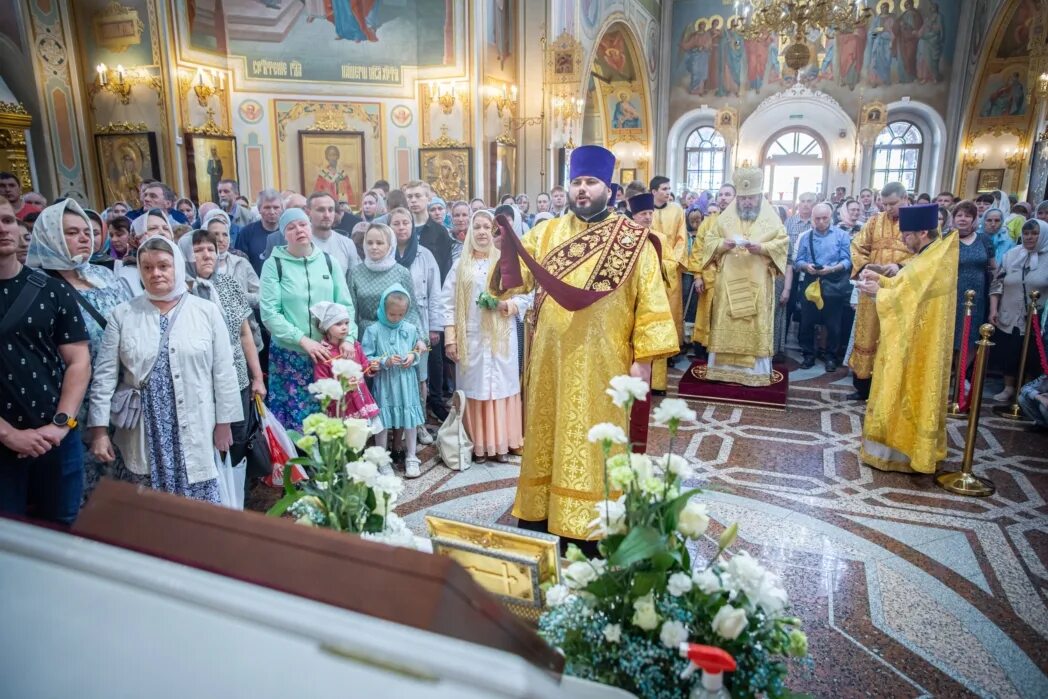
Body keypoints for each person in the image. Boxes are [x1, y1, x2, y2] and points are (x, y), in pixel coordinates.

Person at [488, 145, 678, 545]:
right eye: (576, 182)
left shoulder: (634, 241)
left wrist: (643, 362)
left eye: (590, 182)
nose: (581, 190)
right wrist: (504, 242)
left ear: (608, 188)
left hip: (604, 362)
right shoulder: (546, 232)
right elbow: (514, 280)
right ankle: (539, 516)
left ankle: (593, 525)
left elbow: (651, 302)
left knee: (596, 440)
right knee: (546, 436)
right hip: (549, 360)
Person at [88, 236, 242, 504]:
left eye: (163, 266)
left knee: (197, 506)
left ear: (178, 267)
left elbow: (224, 371)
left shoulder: (205, 311)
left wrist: (224, 423)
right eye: (147, 268)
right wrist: (100, 431)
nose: (155, 273)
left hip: (195, 423)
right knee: (146, 508)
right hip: (143, 427)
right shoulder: (123, 314)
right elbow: (104, 376)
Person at [0, 199, 91, 525]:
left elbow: (79, 360)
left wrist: (60, 424)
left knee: (63, 528)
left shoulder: (52, 291)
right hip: (2, 445)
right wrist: (9, 434)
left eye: (8, 220)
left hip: (57, 441)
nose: (3, 228)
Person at [857, 204, 958, 474]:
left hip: (916, 344)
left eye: (907, 235)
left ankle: (900, 452)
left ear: (923, 232)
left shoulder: (933, 260)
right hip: (910, 337)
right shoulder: (930, 255)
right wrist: (881, 281)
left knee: (904, 389)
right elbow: (907, 288)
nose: (902, 240)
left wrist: (879, 291)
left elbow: (910, 299)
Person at [443, 209, 529, 463]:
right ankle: (478, 446)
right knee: (475, 389)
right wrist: (451, 338)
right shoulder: (460, 265)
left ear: (495, 232)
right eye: (477, 227)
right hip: (472, 336)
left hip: (501, 335)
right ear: (470, 231)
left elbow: (526, 295)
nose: (482, 232)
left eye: (487, 227)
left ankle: (502, 444)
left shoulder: (506, 262)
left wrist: (507, 305)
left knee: (502, 387)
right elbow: (447, 302)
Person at [260, 208, 357, 430]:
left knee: (330, 416)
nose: (298, 230)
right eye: (291, 227)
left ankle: (327, 464)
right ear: (284, 234)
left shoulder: (328, 261)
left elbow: (345, 304)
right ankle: (296, 465)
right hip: (290, 356)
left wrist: (348, 338)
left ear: (310, 226)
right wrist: (303, 340)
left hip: (327, 355)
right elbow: (269, 313)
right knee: (294, 423)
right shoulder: (274, 265)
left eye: (302, 224)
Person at [699, 168, 789, 386]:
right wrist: (722, 244)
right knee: (727, 319)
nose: (747, 202)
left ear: (759, 197)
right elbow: (709, 242)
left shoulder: (772, 219)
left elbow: (783, 243)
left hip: (757, 280)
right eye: (744, 198)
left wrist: (762, 247)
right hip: (728, 280)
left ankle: (754, 374)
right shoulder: (724, 219)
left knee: (752, 323)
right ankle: (722, 371)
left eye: (751, 198)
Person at [188, 229, 266, 477]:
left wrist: (257, 377)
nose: (206, 255)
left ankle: (237, 495)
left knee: (238, 438)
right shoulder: (182, 291)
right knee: (206, 442)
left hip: (237, 377)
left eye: (210, 249)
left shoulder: (229, 284)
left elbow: (245, 334)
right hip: (200, 382)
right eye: (198, 250)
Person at [847, 182, 913, 401]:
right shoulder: (874, 221)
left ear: (905, 198)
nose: (888, 208)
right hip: (871, 288)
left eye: (892, 203)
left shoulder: (917, 221)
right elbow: (857, 247)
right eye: (884, 204)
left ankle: (891, 391)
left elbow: (927, 253)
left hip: (901, 291)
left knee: (894, 336)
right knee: (869, 333)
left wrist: (900, 267)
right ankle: (863, 386)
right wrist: (866, 266)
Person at [363, 285, 427, 478]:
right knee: (383, 422)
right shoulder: (373, 330)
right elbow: (366, 358)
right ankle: (382, 461)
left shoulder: (410, 328)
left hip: (407, 384)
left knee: (409, 420)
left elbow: (417, 351)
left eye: (401, 314)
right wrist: (384, 361)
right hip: (385, 384)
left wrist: (412, 357)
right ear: (383, 309)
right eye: (392, 314)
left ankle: (412, 457)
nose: (396, 318)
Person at [390, 206, 442, 440]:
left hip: (419, 322)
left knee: (420, 376)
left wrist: (434, 327)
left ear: (412, 226)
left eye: (405, 223)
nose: (401, 228)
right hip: (391, 324)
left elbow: (435, 292)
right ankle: (396, 426)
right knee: (394, 374)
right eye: (396, 223)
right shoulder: (385, 253)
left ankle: (419, 422)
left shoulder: (424, 255)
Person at [404, 180, 452, 420]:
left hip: (431, 299)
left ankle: (435, 398)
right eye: (409, 196)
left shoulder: (439, 231)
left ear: (428, 198)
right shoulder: (403, 226)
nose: (413, 200)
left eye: (418, 196)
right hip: (405, 304)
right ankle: (412, 401)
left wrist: (438, 313)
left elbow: (444, 270)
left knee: (434, 354)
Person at [989, 219, 1048, 403]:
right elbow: (997, 283)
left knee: (1033, 353)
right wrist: (993, 309)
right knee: (1009, 351)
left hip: (1037, 318)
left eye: (1034, 233)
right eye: (1026, 233)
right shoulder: (1011, 255)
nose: (1029, 237)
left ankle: (1027, 391)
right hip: (1009, 313)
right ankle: (1008, 387)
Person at [794, 203, 853, 372]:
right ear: (812, 219)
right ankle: (808, 355)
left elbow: (847, 261)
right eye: (817, 218)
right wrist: (807, 267)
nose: (821, 222)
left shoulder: (842, 235)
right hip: (811, 281)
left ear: (831, 217)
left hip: (833, 282)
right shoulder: (806, 237)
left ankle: (830, 357)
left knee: (833, 324)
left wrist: (832, 268)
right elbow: (798, 261)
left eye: (824, 218)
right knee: (807, 321)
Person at [350, 222, 425, 353]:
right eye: (369, 242)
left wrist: (419, 338)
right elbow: (352, 311)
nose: (374, 247)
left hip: (397, 338)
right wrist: (349, 340)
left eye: (379, 243)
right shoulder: (355, 272)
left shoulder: (401, 273)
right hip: (366, 339)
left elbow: (411, 309)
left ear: (390, 245)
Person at [629, 192, 677, 393]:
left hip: (654, 295)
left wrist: (657, 267)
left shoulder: (660, 238)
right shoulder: (626, 237)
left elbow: (671, 264)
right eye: (643, 214)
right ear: (634, 216)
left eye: (650, 213)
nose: (647, 217)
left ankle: (655, 384)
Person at [309, 301, 380, 427]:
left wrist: (371, 367)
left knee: (360, 439)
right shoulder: (324, 354)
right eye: (338, 323)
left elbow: (364, 365)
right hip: (341, 408)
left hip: (361, 401)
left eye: (347, 323)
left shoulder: (355, 346)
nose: (344, 327)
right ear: (326, 327)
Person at [688, 183, 736, 349]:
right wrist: (697, 276)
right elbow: (698, 250)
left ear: (735, 197)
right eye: (721, 194)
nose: (723, 197)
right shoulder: (708, 223)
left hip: (734, 278)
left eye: (727, 194)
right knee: (709, 315)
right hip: (711, 278)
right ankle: (707, 349)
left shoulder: (743, 222)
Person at [649, 177, 687, 363]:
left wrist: (672, 262)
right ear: (654, 191)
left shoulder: (677, 210)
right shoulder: (647, 211)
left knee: (671, 308)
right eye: (664, 188)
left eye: (669, 188)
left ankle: (671, 349)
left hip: (671, 268)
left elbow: (682, 239)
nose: (668, 192)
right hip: (650, 266)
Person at [951, 200, 995, 359]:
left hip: (978, 296)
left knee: (971, 335)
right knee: (952, 333)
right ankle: (951, 374)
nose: (963, 219)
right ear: (954, 218)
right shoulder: (947, 240)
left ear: (975, 219)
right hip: (953, 295)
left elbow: (992, 267)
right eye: (959, 215)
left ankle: (962, 377)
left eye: (968, 215)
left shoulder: (984, 240)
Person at [307, 191, 360, 286]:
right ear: (308, 212)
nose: (327, 215)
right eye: (321, 210)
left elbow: (354, 281)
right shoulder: (300, 243)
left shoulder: (347, 243)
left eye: (331, 210)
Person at [236, 188, 283, 275]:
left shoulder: (288, 231)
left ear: (282, 209)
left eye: (276, 207)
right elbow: (240, 265)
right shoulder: (246, 233)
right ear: (259, 209)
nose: (272, 212)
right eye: (267, 207)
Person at [216, 179, 259, 246]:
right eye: (220, 192)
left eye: (226, 191)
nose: (222, 195)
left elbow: (254, 241)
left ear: (236, 194)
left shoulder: (248, 216)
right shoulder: (215, 215)